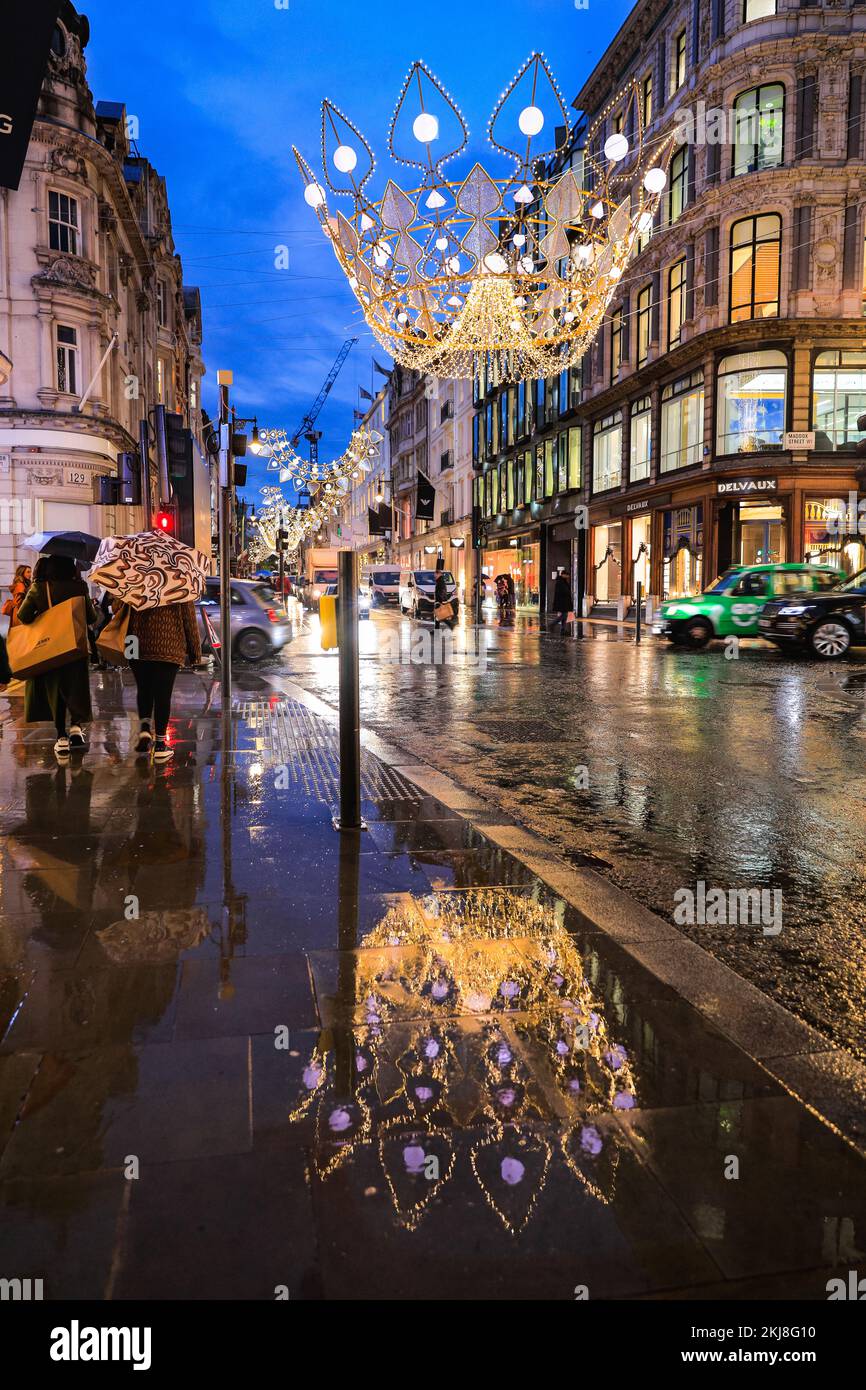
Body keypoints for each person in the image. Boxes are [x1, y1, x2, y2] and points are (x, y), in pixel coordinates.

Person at [16, 554, 98, 757]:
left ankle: (61, 737)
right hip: (76, 647)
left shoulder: (40, 588)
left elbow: (24, 616)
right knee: (76, 687)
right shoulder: (79, 587)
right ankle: (77, 729)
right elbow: (92, 617)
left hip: (51, 648)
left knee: (56, 689)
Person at [123, 599, 202, 763]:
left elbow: (118, 608)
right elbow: (189, 618)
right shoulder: (179, 581)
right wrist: (195, 652)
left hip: (136, 643)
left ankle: (145, 729)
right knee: (162, 695)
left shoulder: (134, 578)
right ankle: (160, 744)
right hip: (168, 644)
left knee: (143, 689)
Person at [551, 567, 574, 636]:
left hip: (564, 601)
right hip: (562, 601)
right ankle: (553, 624)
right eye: (567, 575)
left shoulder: (562, 581)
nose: (568, 576)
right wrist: (568, 592)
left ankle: (562, 630)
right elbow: (563, 591)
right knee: (564, 615)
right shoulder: (561, 582)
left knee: (565, 615)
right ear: (563, 575)